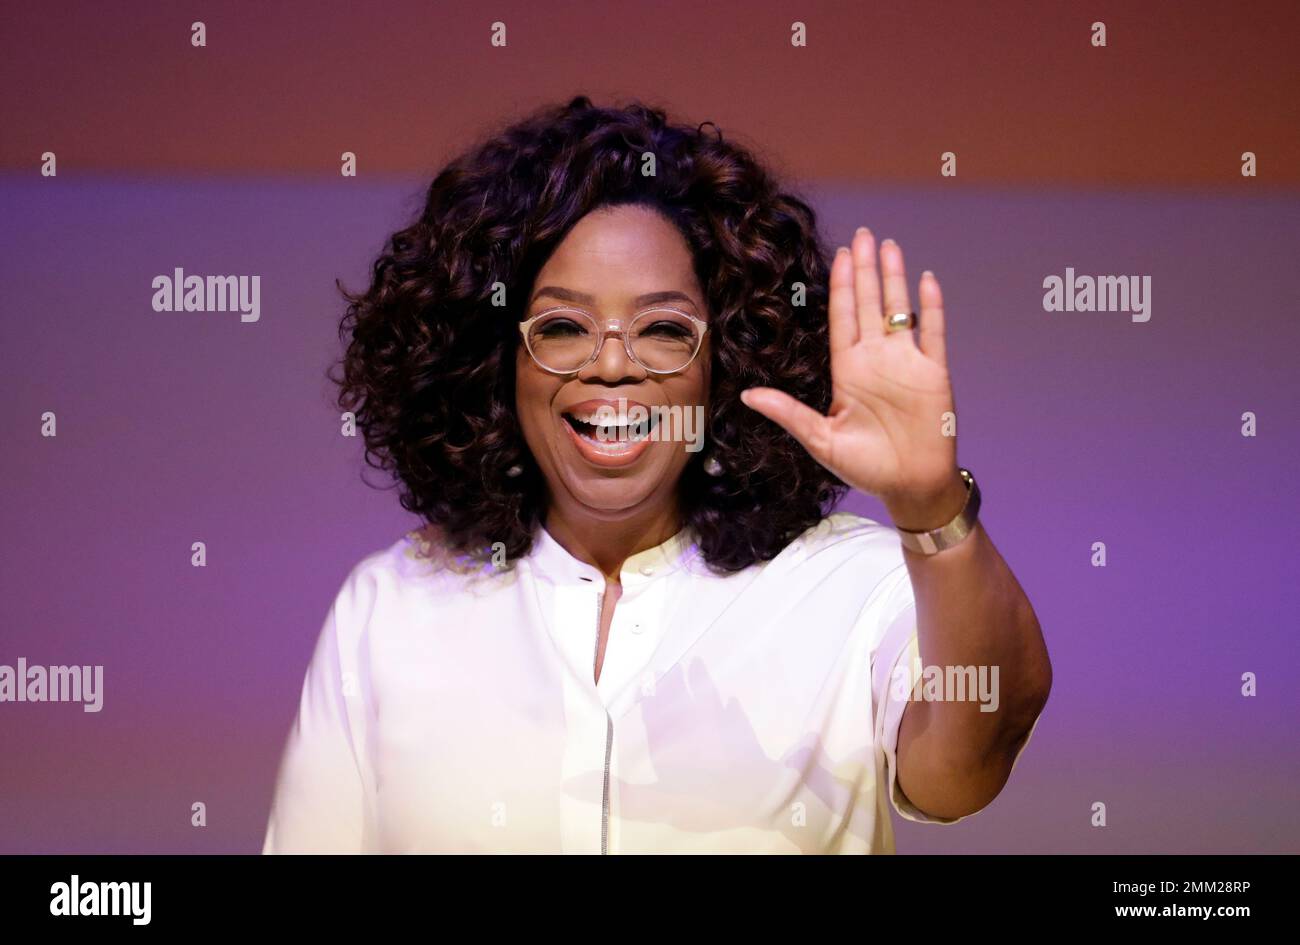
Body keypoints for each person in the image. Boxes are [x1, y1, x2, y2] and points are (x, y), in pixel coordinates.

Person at [262, 95, 1051, 854]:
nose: (611, 364)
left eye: (664, 329)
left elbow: (965, 766)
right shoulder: (390, 608)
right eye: (563, 327)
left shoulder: (853, 581)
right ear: (496, 361)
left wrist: (931, 510)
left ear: (724, 360)